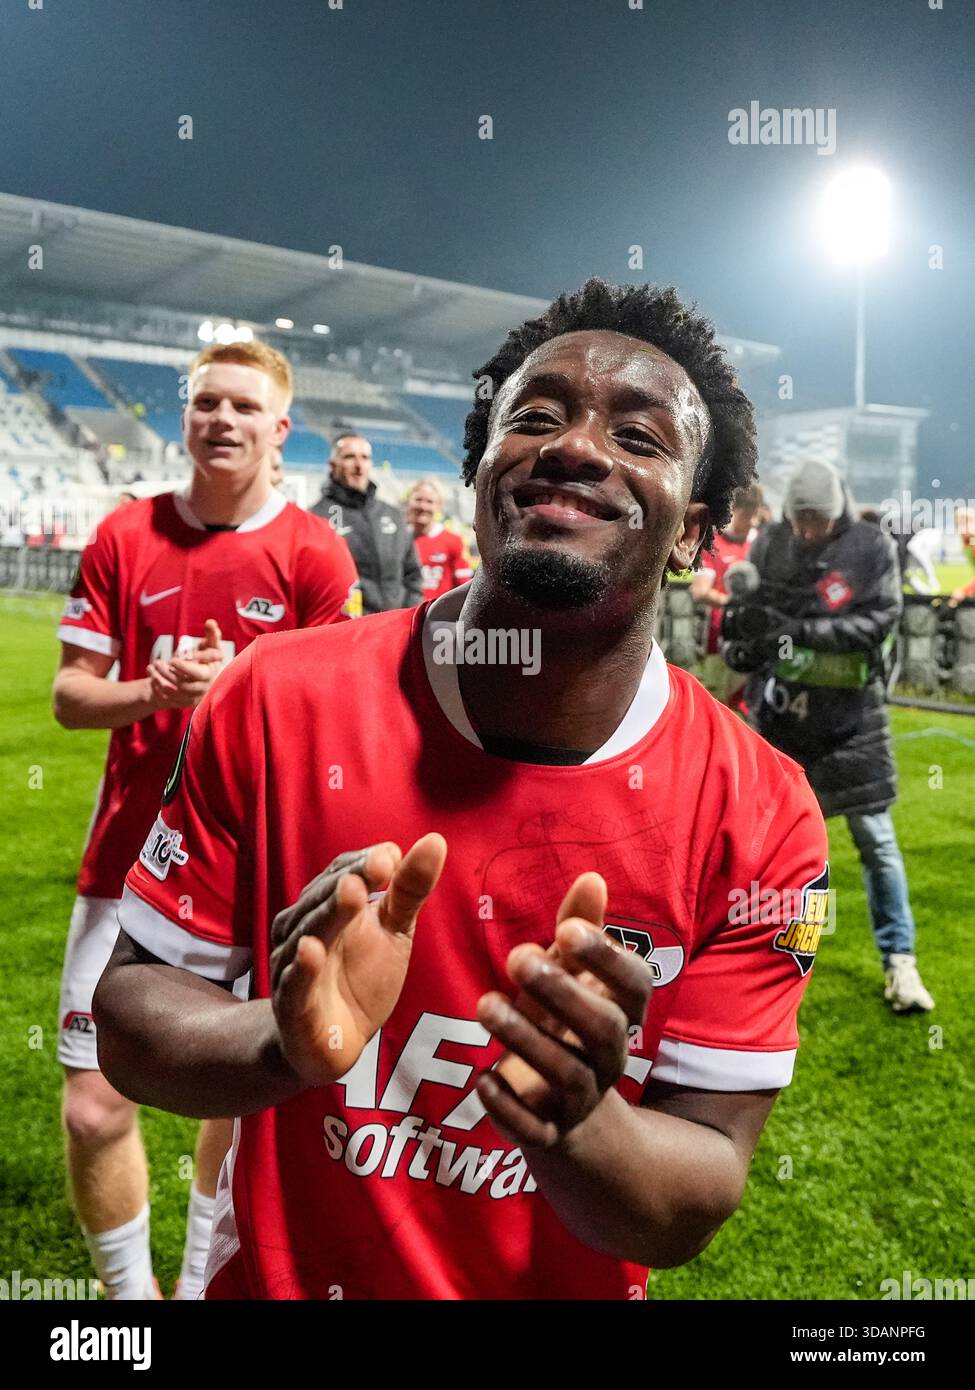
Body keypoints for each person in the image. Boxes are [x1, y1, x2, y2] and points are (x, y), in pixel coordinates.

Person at [95, 278, 829, 1301]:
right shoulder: (277, 694)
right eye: (534, 416)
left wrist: (582, 1115)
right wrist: (281, 1041)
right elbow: (129, 1012)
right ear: (479, 469)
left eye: (641, 436)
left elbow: (698, 1188)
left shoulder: (764, 812)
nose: (575, 446)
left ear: (699, 531)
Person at [53, 339, 358, 1301]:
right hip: (128, 863)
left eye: (243, 407)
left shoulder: (315, 552)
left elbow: (337, 724)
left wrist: (243, 688)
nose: (220, 420)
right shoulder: (123, 536)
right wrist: (153, 689)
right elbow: (69, 695)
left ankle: (191, 1294)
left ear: (281, 428)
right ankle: (129, 1306)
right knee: (96, 1106)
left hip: (258, 870)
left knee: (230, 1106)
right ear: (185, 417)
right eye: (205, 404)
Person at [723, 458, 934, 1014]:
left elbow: (881, 619)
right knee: (772, 852)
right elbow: (749, 619)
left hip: (851, 723)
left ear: (836, 512)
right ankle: (778, 959)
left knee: (876, 842)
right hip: (781, 723)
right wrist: (743, 644)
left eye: (816, 520)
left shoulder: (869, 546)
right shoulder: (771, 542)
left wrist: (802, 633)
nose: (806, 530)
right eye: (800, 519)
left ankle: (901, 964)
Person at [311, 433, 422, 613]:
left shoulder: (393, 515)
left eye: (365, 458)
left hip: (397, 627)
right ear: (332, 465)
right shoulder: (317, 518)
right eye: (349, 457)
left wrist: (410, 615)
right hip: (349, 632)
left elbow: (412, 575)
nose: (358, 465)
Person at [690, 482, 762, 705]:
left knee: (749, 714)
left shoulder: (760, 543)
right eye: (744, 517)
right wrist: (731, 603)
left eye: (752, 516)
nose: (748, 523)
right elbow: (700, 591)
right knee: (720, 708)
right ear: (732, 511)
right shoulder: (714, 544)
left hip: (755, 643)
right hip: (719, 646)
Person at [406, 477, 474, 603]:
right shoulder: (397, 540)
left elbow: (465, 587)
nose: (423, 506)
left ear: (439, 506)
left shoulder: (454, 541)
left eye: (430, 502)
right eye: (418, 499)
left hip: (438, 617)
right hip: (404, 615)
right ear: (408, 502)